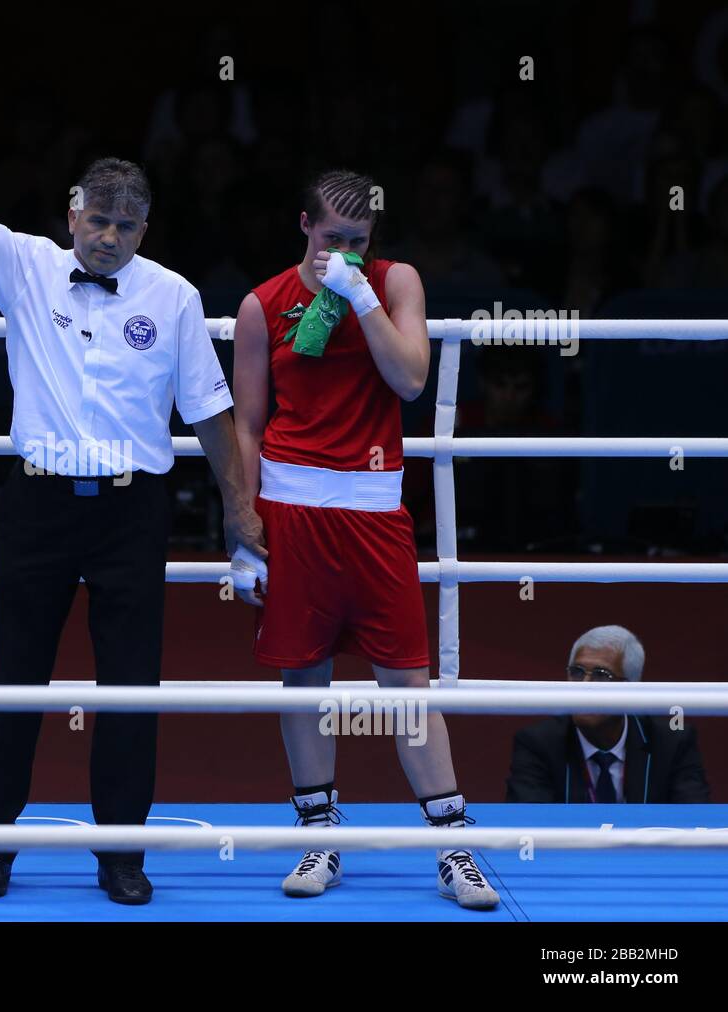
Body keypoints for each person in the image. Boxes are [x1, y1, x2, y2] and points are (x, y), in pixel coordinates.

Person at [0, 55, 264, 905]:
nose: (108, 236)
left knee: (131, 689)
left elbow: (212, 415)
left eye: (126, 226)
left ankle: (121, 856)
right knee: (15, 681)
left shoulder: (174, 297)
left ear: (146, 230)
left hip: (132, 513)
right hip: (36, 503)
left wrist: (240, 515)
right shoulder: (26, 263)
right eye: (98, 219)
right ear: (72, 213)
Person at [231, 169, 501, 910]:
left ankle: (453, 845)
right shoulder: (263, 305)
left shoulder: (396, 281)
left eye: (358, 241)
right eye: (331, 241)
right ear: (303, 226)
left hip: (376, 511)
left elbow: (412, 379)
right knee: (303, 679)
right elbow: (248, 426)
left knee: (408, 686)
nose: (344, 253)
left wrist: (362, 297)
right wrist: (243, 532)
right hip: (290, 510)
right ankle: (320, 835)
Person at [506, 625, 710, 803]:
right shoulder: (538, 744)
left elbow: (694, 823)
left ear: (631, 688)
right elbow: (529, 826)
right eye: (577, 672)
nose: (584, 687)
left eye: (601, 676)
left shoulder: (672, 743)